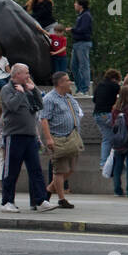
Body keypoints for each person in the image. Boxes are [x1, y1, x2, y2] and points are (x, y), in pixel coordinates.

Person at [0, 63, 53, 213]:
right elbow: (12, 106)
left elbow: (39, 105)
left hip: (30, 136)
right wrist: (20, 93)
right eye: (26, 73)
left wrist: (33, 90)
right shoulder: (7, 89)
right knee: (11, 170)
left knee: (35, 169)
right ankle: (7, 201)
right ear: (16, 75)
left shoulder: (27, 89)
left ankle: (40, 200)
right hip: (14, 136)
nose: (28, 76)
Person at [38, 72, 83, 209]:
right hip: (58, 137)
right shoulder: (49, 99)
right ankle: (61, 199)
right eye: (67, 80)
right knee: (60, 170)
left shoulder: (68, 98)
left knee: (72, 168)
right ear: (60, 83)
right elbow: (44, 119)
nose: (70, 83)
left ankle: (48, 191)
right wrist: (49, 139)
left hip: (72, 137)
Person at [92, 68, 121, 167]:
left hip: (97, 114)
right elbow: (125, 95)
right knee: (120, 133)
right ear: (115, 78)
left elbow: (95, 100)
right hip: (107, 113)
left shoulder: (99, 85)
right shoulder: (115, 85)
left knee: (107, 138)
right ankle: (111, 162)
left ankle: (104, 163)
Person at [68, 0, 93, 93]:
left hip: (83, 43)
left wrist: (72, 29)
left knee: (83, 66)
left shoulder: (86, 15)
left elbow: (84, 29)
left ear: (80, 5)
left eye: (76, 3)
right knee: (74, 66)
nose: (74, 5)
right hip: (77, 43)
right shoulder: (81, 15)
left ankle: (84, 89)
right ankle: (79, 87)